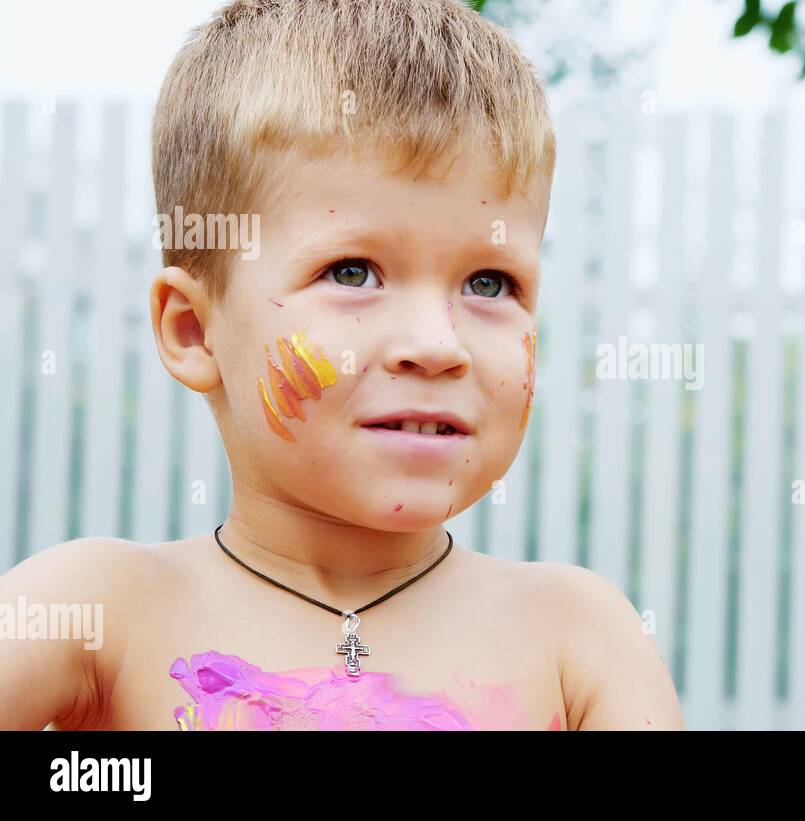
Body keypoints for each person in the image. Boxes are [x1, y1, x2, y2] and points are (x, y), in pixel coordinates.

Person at [0, 0, 683, 731]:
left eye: (488, 283)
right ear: (195, 329)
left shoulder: (580, 641)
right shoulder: (98, 612)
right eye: (353, 272)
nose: (438, 343)